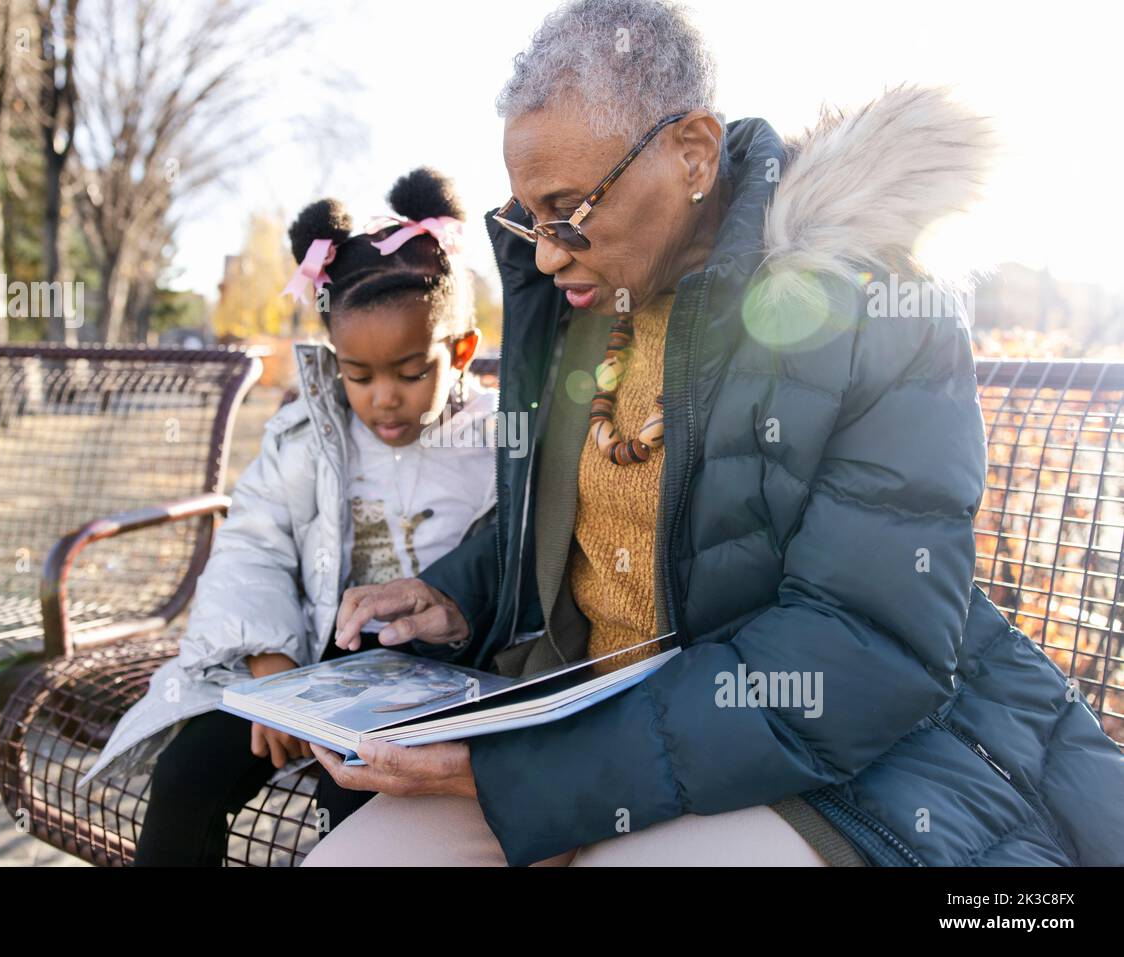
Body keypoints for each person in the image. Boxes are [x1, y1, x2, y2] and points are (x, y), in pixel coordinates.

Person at [306, 0, 1124, 866]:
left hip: (816, 769)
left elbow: (860, 647)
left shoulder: (869, 308)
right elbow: (556, 519)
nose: (546, 254)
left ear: (692, 151)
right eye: (528, 216)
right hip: (565, 721)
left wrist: (538, 770)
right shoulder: (580, 300)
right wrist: (457, 594)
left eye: (568, 208)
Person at [79, 167, 499, 866]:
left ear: (458, 351)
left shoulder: (493, 444)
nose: (383, 398)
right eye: (358, 375)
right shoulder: (309, 436)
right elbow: (252, 543)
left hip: (426, 679)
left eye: (409, 371)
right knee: (188, 775)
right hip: (301, 651)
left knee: (356, 799)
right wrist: (269, 665)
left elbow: (508, 566)